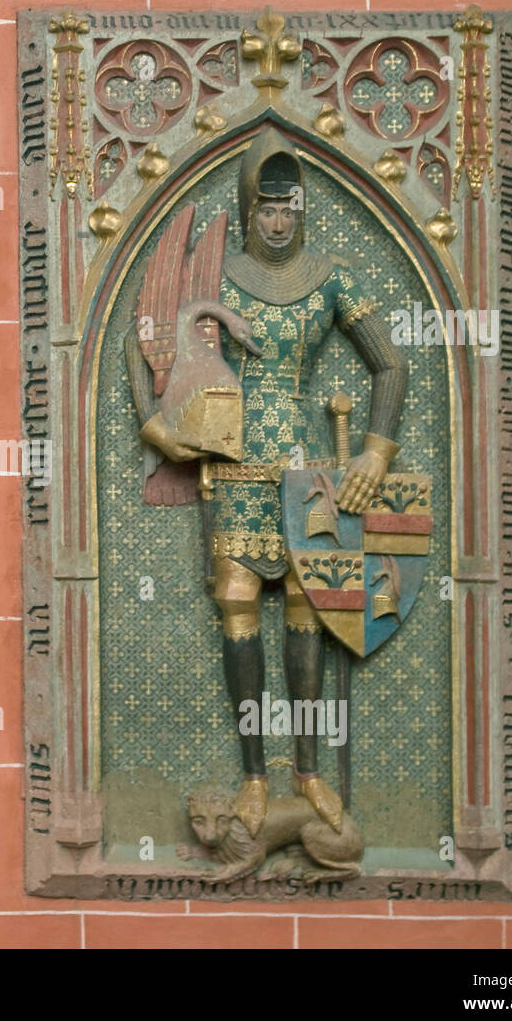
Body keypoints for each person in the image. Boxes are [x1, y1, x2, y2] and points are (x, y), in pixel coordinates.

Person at [124, 129, 407, 836]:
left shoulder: (331, 275)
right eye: (267, 209)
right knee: (239, 605)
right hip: (229, 465)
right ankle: (254, 775)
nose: (278, 221)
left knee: (310, 611)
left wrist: (374, 454)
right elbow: (147, 337)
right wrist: (155, 427)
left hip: (302, 470)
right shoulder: (216, 277)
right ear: (250, 211)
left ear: (302, 212)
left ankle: (307, 772)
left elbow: (392, 366)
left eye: (290, 209)